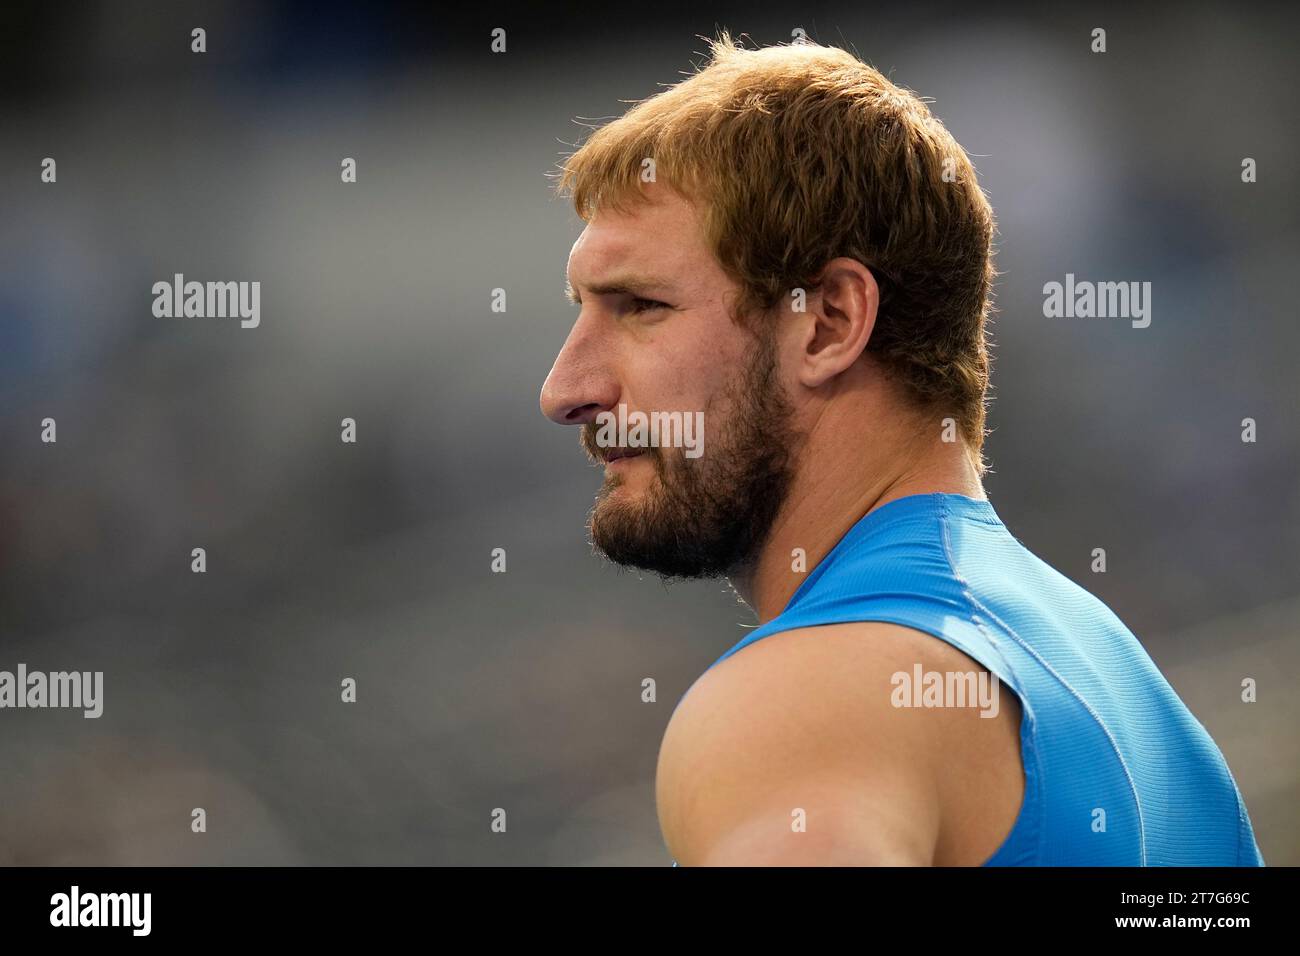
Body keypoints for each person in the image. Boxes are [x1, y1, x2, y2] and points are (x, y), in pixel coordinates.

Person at [539, 34, 1264, 866]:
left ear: (830, 322)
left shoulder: (808, 703)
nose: (564, 389)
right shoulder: (1132, 694)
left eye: (639, 306)